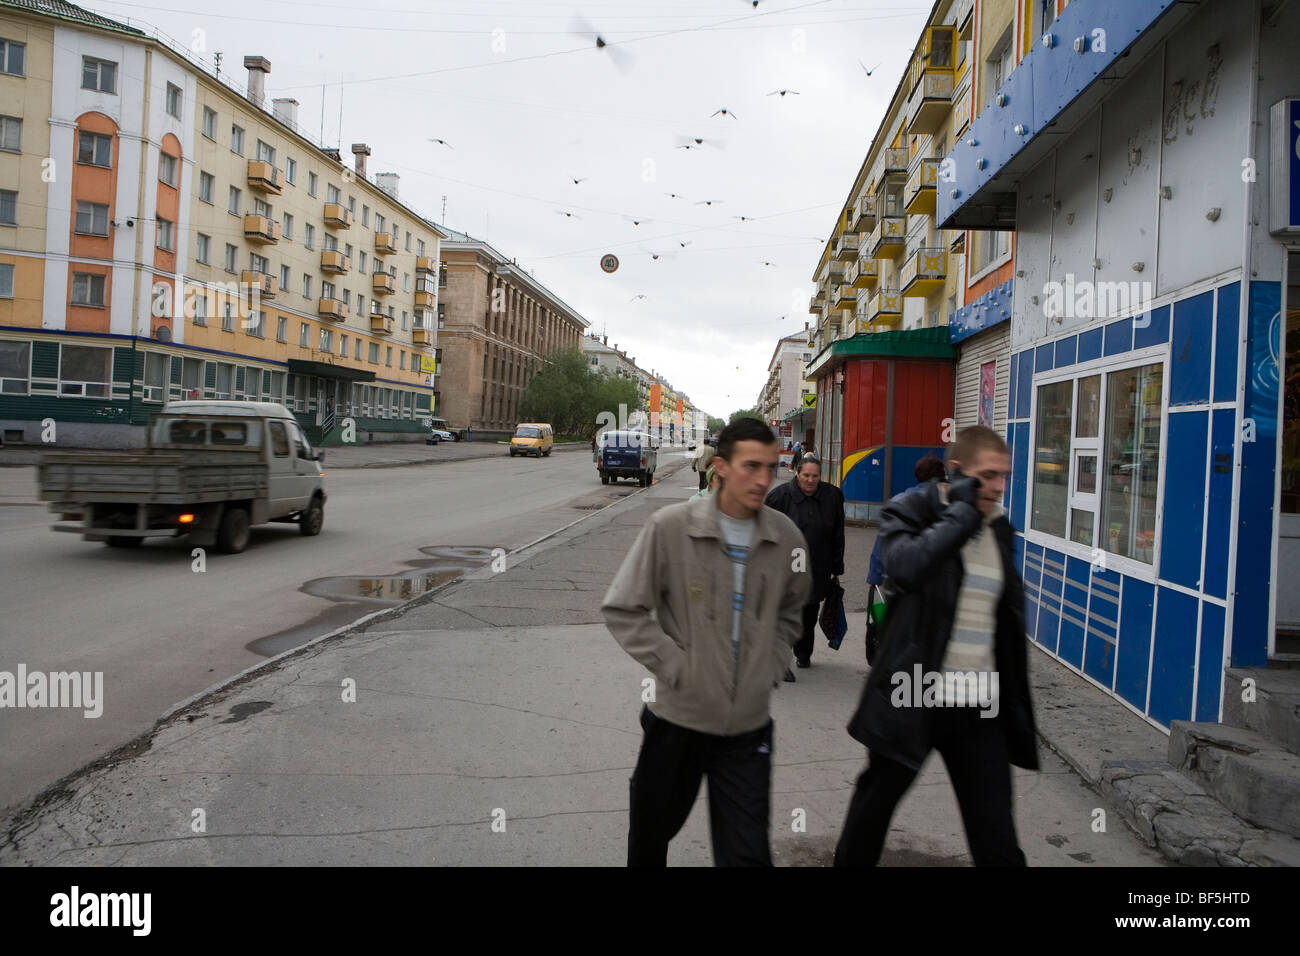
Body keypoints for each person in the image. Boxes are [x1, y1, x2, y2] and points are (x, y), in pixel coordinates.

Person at [602, 417, 811, 866]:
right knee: (649, 839)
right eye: (751, 466)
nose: (763, 479)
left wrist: (773, 662)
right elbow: (623, 607)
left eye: (771, 467)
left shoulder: (785, 537)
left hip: (747, 730)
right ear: (720, 466)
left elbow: (793, 609)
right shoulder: (670, 528)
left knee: (747, 854)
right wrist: (677, 668)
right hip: (678, 721)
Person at [834, 426, 1039, 867]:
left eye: (1005, 476)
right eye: (988, 475)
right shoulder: (912, 508)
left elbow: (1003, 621)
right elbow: (905, 566)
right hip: (916, 693)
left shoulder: (999, 530)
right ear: (958, 472)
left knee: (997, 835)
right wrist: (961, 514)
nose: (999, 487)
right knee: (872, 814)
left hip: (979, 706)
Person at [764, 455, 845, 680]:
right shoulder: (779, 498)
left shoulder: (832, 497)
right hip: (785, 568)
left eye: (815, 476)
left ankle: (803, 652)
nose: (810, 480)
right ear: (797, 473)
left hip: (817, 567)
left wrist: (838, 565)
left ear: (821, 477)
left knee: (808, 614)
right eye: (806, 475)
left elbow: (838, 533)